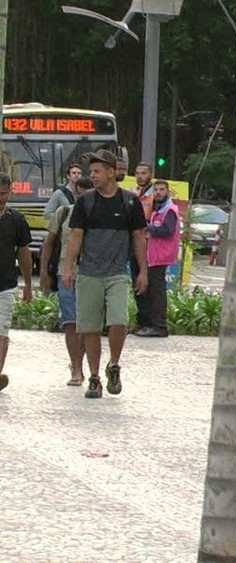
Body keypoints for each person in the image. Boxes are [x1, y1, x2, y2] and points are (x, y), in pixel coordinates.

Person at [62, 150, 149, 399]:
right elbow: (76, 237)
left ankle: (114, 363)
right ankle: (94, 377)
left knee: (118, 320)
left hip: (117, 273)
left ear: (112, 172)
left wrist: (142, 270)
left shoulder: (129, 202)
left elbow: (138, 237)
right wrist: (68, 268)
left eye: (97, 171)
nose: (93, 176)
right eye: (91, 172)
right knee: (89, 327)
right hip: (89, 273)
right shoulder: (85, 202)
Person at [40, 177, 94, 385]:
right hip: (65, 273)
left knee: (87, 324)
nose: (82, 198)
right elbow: (49, 244)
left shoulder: (99, 216)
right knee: (70, 322)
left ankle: (83, 363)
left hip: (91, 275)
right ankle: (76, 368)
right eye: (79, 194)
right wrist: (44, 271)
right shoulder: (63, 213)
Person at [0, 173, 33, 393]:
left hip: (6, 284)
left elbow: (23, 253)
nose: (2, 197)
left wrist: (29, 284)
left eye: (4, 193)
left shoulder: (16, 219)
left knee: (2, 332)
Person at [136, 179, 179, 337]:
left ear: (167, 191)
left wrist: (148, 227)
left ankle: (159, 326)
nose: (159, 192)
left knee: (157, 292)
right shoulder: (158, 210)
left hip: (161, 256)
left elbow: (167, 230)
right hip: (154, 255)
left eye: (162, 189)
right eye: (156, 190)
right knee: (152, 291)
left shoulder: (169, 210)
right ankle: (151, 324)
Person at [130, 162, 154, 333]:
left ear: (150, 175)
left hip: (149, 244)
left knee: (148, 284)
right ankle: (141, 321)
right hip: (134, 242)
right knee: (136, 282)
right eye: (138, 173)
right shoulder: (134, 193)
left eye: (144, 173)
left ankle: (148, 322)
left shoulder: (156, 194)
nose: (140, 176)